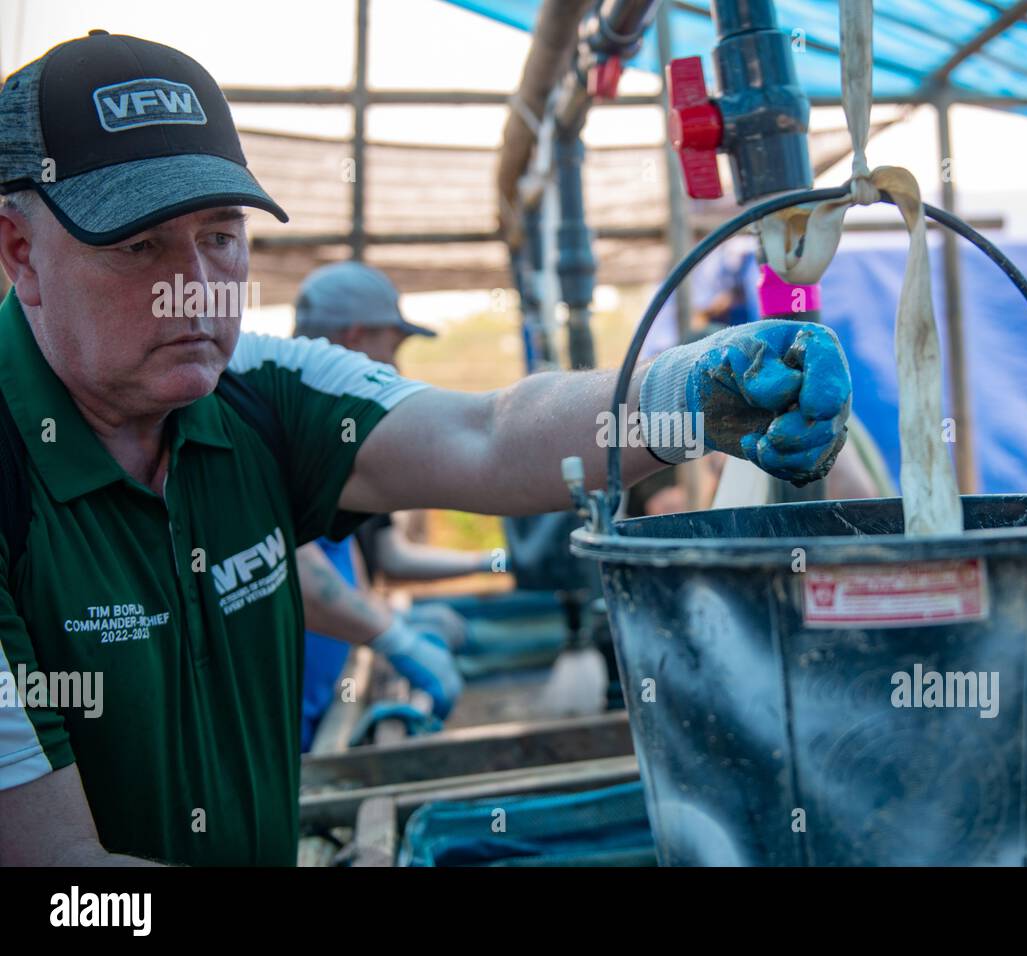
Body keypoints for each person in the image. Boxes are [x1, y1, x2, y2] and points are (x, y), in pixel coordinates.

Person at [0, 32, 852, 865]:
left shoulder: (258, 392)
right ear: (20, 253)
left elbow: (486, 434)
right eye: (139, 246)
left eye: (220, 237)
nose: (193, 287)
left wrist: (687, 393)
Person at [289, 262, 496, 751]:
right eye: (393, 346)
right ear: (355, 335)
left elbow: (350, 552)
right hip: (281, 721)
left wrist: (384, 621)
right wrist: (394, 639)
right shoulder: (271, 427)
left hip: (328, 700)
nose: (396, 366)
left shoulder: (336, 434)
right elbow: (289, 564)